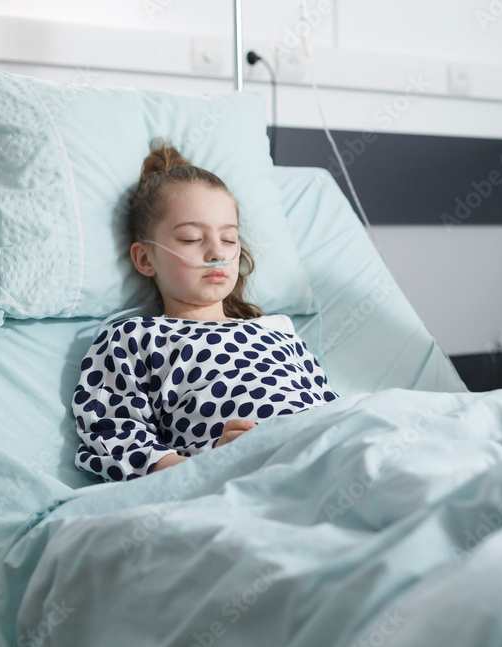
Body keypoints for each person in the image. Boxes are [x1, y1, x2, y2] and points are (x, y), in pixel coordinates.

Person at [72, 139, 337, 482]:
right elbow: (117, 440)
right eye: (191, 238)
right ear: (144, 258)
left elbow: (335, 408)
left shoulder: (278, 331)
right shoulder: (133, 339)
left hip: (333, 452)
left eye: (229, 239)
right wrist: (217, 465)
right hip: (256, 476)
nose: (217, 252)